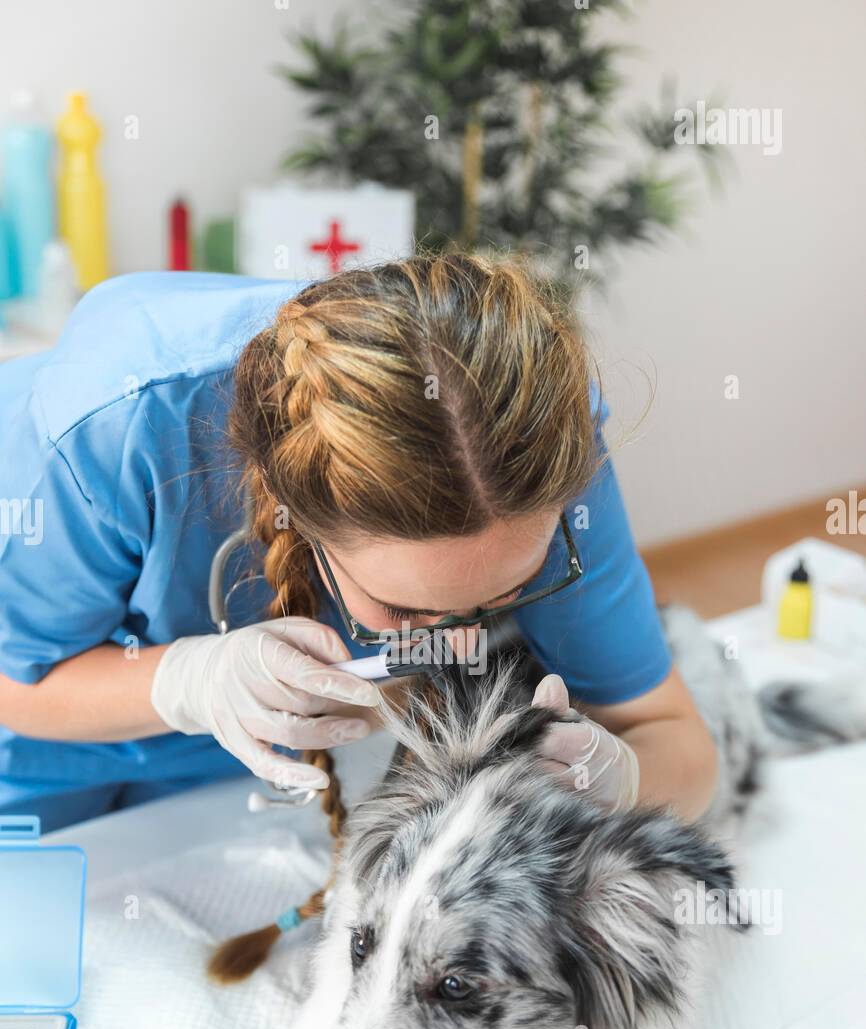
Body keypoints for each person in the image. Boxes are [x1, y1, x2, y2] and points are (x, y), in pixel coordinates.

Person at [0, 252, 718, 835]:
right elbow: (16, 681)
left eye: (507, 594)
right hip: (37, 748)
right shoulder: (111, 429)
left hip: (255, 770)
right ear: (300, 521)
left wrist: (619, 778)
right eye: (405, 609)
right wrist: (185, 681)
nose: (453, 639)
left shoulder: (537, 451)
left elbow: (675, 738)